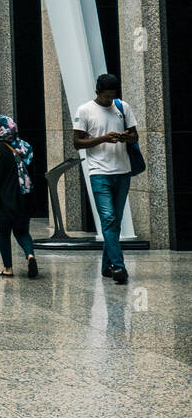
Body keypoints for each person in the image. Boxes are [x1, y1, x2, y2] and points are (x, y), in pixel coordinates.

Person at [72, 73, 139, 285]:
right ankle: (119, 266)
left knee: (114, 222)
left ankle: (106, 266)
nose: (109, 100)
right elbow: (77, 142)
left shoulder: (122, 107)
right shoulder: (84, 111)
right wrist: (104, 138)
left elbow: (135, 135)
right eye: (106, 96)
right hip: (99, 171)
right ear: (97, 92)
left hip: (122, 170)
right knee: (109, 219)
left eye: (113, 96)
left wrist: (126, 137)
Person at [0, 115, 38, 278]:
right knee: (23, 232)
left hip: (2, 200)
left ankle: (8, 268)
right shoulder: (25, 148)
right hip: (23, 199)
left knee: (4, 235)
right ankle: (30, 255)